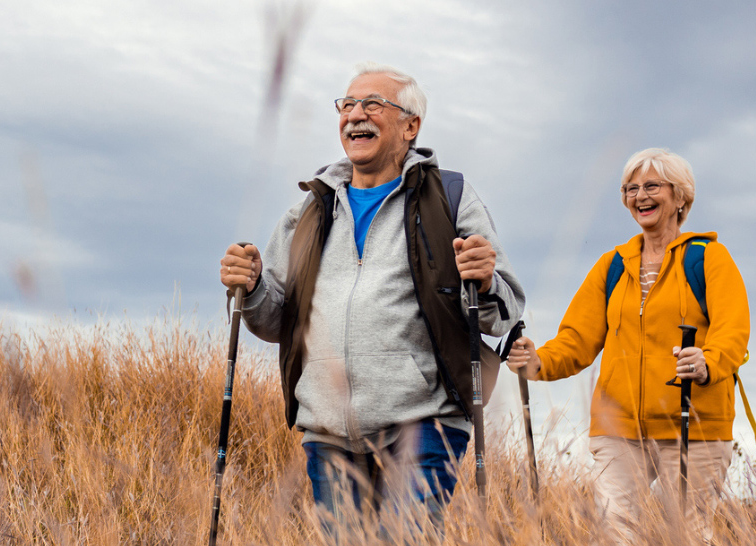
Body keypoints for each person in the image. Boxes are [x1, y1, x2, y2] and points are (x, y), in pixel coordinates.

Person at [217, 62, 525, 527]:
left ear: (410, 126)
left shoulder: (450, 198)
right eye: (347, 105)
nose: (355, 115)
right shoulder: (309, 208)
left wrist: (484, 282)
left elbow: (505, 309)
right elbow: (274, 320)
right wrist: (253, 285)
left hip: (424, 422)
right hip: (328, 430)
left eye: (373, 104)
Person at [503, 148, 749, 541]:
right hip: (617, 428)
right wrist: (536, 362)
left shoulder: (709, 259)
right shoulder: (612, 265)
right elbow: (577, 340)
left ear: (680, 196)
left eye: (652, 186)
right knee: (616, 532)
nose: (640, 197)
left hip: (695, 424)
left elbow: (733, 332)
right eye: (630, 189)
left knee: (687, 534)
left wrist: (707, 362)